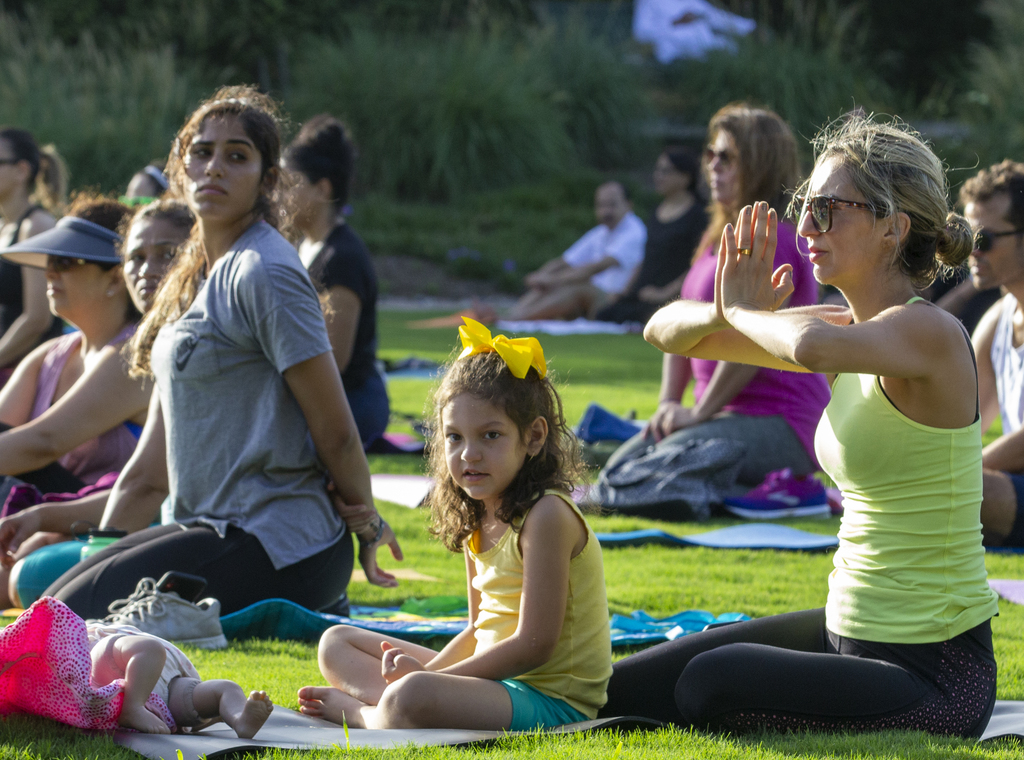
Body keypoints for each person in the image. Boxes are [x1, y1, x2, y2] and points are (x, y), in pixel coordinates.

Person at [602, 115, 998, 738]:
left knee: (710, 682)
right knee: (619, 685)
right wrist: (721, 308)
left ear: (894, 228)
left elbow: (808, 346)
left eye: (828, 208)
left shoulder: (929, 334)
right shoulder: (848, 328)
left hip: (934, 671)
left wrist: (746, 311)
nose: (807, 225)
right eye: (805, 205)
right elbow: (662, 330)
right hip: (847, 633)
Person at [43, 86, 402, 622]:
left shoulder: (267, 272)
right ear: (180, 165)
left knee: (73, 614)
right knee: (56, 599)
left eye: (237, 156)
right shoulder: (198, 278)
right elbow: (147, 473)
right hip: (208, 527)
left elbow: (337, 430)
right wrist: (104, 544)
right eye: (202, 152)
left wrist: (368, 524)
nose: (215, 167)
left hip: (281, 543)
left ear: (267, 180)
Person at [296, 319, 612, 731]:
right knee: (335, 642)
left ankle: (367, 713)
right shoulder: (479, 511)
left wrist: (428, 681)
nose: (469, 454)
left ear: (533, 437)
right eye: (455, 438)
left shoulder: (547, 516)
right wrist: (426, 673)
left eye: (491, 435)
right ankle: (400, 703)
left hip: (547, 699)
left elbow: (534, 646)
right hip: (492, 680)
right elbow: (477, 628)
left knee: (412, 696)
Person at [602, 105, 830, 503]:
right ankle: (747, 489)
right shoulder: (715, 237)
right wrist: (669, 404)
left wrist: (699, 412)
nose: (712, 165)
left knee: (637, 480)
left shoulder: (770, 238)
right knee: (616, 474)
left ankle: (789, 492)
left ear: (760, 164)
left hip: (781, 420)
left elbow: (754, 340)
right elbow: (683, 329)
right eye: (710, 154)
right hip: (723, 416)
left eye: (726, 157)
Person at [0, 200, 194, 608]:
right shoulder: (54, 353)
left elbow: (42, 443)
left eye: (68, 261)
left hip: (110, 521)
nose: (51, 272)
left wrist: (40, 518)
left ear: (113, 278)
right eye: (50, 261)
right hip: (50, 519)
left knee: (27, 577)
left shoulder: (135, 354)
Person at [0, 595, 272, 737]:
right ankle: (132, 707)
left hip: (161, 692)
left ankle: (239, 719)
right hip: (105, 665)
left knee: (222, 689)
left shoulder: (91, 636)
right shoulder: (89, 644)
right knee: (151, 650)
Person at [283, 115, 389, 448]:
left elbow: (335, 360)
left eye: (290, 183)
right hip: (322, 398)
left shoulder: (341, 257)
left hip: (353, 404)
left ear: (322, 188)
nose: (279, 193)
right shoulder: (304, 246)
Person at [961, 160, 1024, 546]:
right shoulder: (998, 318)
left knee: (957, 490)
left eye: (983, 239)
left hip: (1006, 487)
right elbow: (959, 419)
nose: (970, 250)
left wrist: (960, 472)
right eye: (964, 235)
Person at [595, 147, 708, 325]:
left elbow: (700, 263)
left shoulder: (698, 216)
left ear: (686, 177)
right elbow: (646, 257)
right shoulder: (656, 211)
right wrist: (626, 290)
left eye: (666, 171)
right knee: (605, 315)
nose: (658, 176)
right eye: (657, 170)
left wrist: (664, 293)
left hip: (671, 297)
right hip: (643, 293)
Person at [505, 181, 646, 321]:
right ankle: (511, 314)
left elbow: (595, 268)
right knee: (555, 282)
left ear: (628, 205)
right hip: (592, 296)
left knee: (576, 284)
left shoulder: (634, 232)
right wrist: (541, 275)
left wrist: (552, 279)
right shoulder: (600, 232)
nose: (605, 211)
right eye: (601, 205)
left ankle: (517, 319)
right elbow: (565, 261)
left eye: (612, 205)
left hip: (614, 299)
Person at [0, 128, 66, 380]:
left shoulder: (36, 226)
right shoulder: (4, 228)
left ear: (21, 171)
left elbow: (38, 319)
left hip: (30, 378)